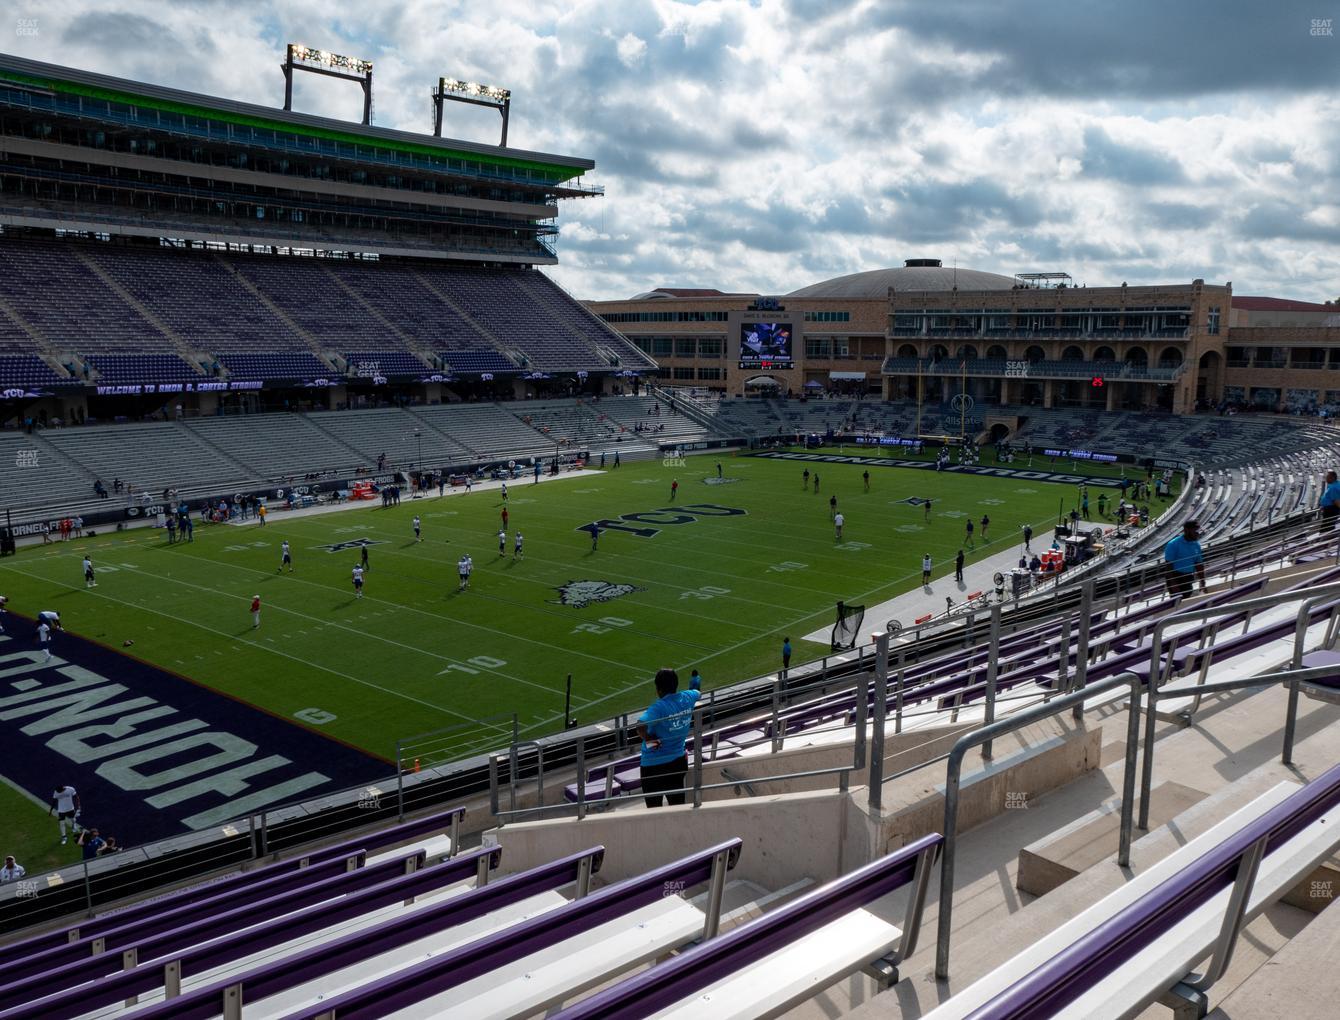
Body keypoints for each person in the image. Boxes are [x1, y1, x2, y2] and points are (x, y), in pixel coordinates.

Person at [635, 668, 702, 809]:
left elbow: (640, 725)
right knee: (677, 807)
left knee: (654, 811)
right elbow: (698, 693)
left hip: (652, 767)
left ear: (658, 689)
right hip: (677, 762)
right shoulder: (688, 697)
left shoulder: (658, 707)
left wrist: (649, 740)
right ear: (676, 685)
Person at [1164, 520, 1207, 597]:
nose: (1198, 533)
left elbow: (1199, 564)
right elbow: (1168, 566)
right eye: (1195, 531)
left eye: (1199, 530)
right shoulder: (1173, 544)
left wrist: (1203, 582)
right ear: (1187, 530)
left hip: (1188, 576)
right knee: (1177, 601)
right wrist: (1173, 584)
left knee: (1187, 598)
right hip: (1175, 577)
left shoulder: (1196, 545)